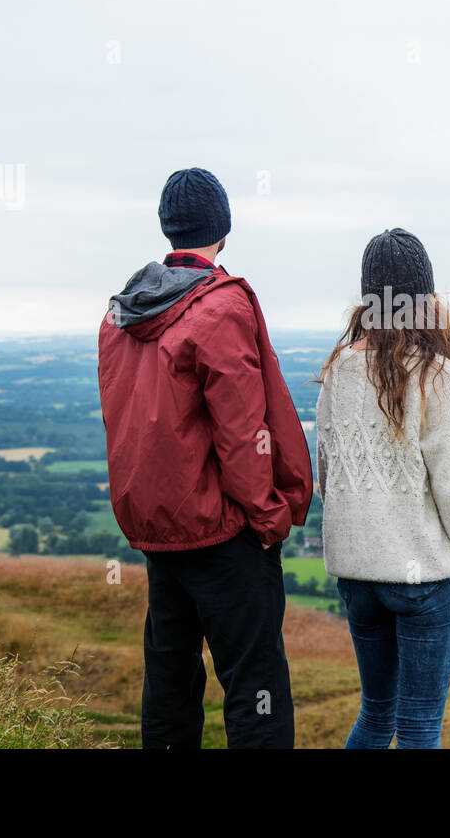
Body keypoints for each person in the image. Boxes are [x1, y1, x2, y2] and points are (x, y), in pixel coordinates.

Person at [98, 167, 312, 749]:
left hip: (162, 532)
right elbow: (243, 434)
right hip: (224, 534)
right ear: (223, 227)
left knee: (170, 681)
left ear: (169, 229)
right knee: (255, 687)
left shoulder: (121, 316)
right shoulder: (220, 308)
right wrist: (269, 516)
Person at [314, 227, 450, 749]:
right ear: (426, 298)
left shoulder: (339, 367)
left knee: (376, 717)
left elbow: (328, 476)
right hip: (423, 582)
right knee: (419, 728)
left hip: (357, 576)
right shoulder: (435, 371)